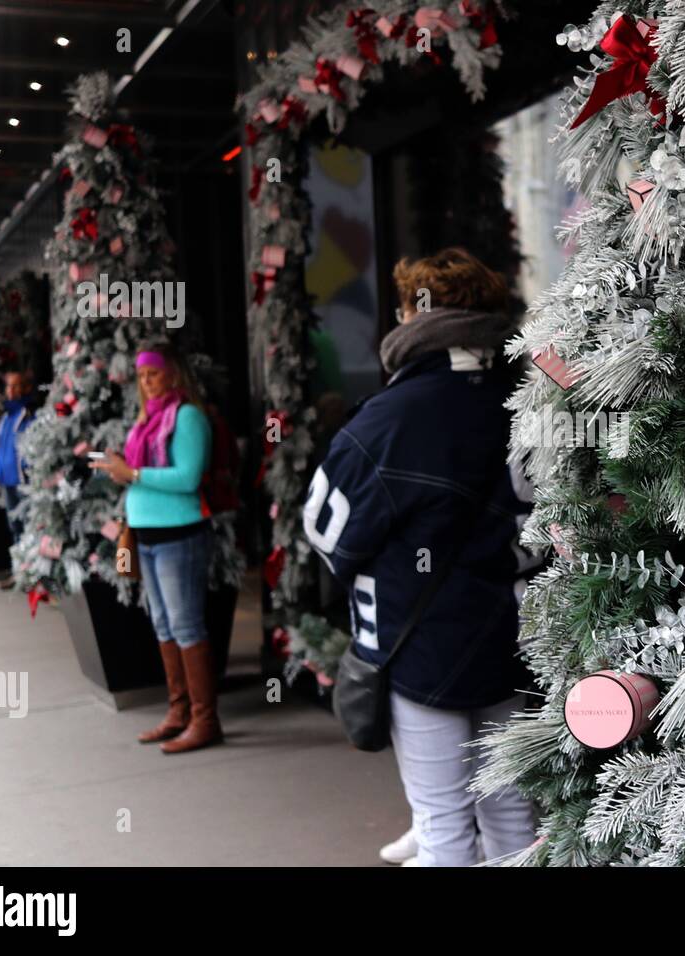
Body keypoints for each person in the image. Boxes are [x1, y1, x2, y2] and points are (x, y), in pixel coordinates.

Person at [305, 247, 539, 867]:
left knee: (443, 828)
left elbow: (328, 533)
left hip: (421, 646)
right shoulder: (537, 400)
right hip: (515, 637)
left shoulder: (389, 416)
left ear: (415, 313)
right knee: (513, 816)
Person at [91, 343, 220, 754]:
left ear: (174, 375)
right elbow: (141, 475)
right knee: (164, 627)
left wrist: (133, 472)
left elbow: (187, 478)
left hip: (179, 537)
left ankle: (205, 720)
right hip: (146, 537)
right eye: (141, 376)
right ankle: (178, 712)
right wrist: (121, 472)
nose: (145, 383)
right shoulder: (146, 421)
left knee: (186, 627)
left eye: (153, 374)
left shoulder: (188, 417)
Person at [0, 370, 35, 590]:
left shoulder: (28, 414)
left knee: (27, 527)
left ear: (25, 388)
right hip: (8, 481)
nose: (10, 391)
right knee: (15, 528)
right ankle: (19, 571)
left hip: (22, 481)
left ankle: (30, 573)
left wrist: (27, 471)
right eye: (8, 386)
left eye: (15, 386)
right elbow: (1, 447)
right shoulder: (5, 417)